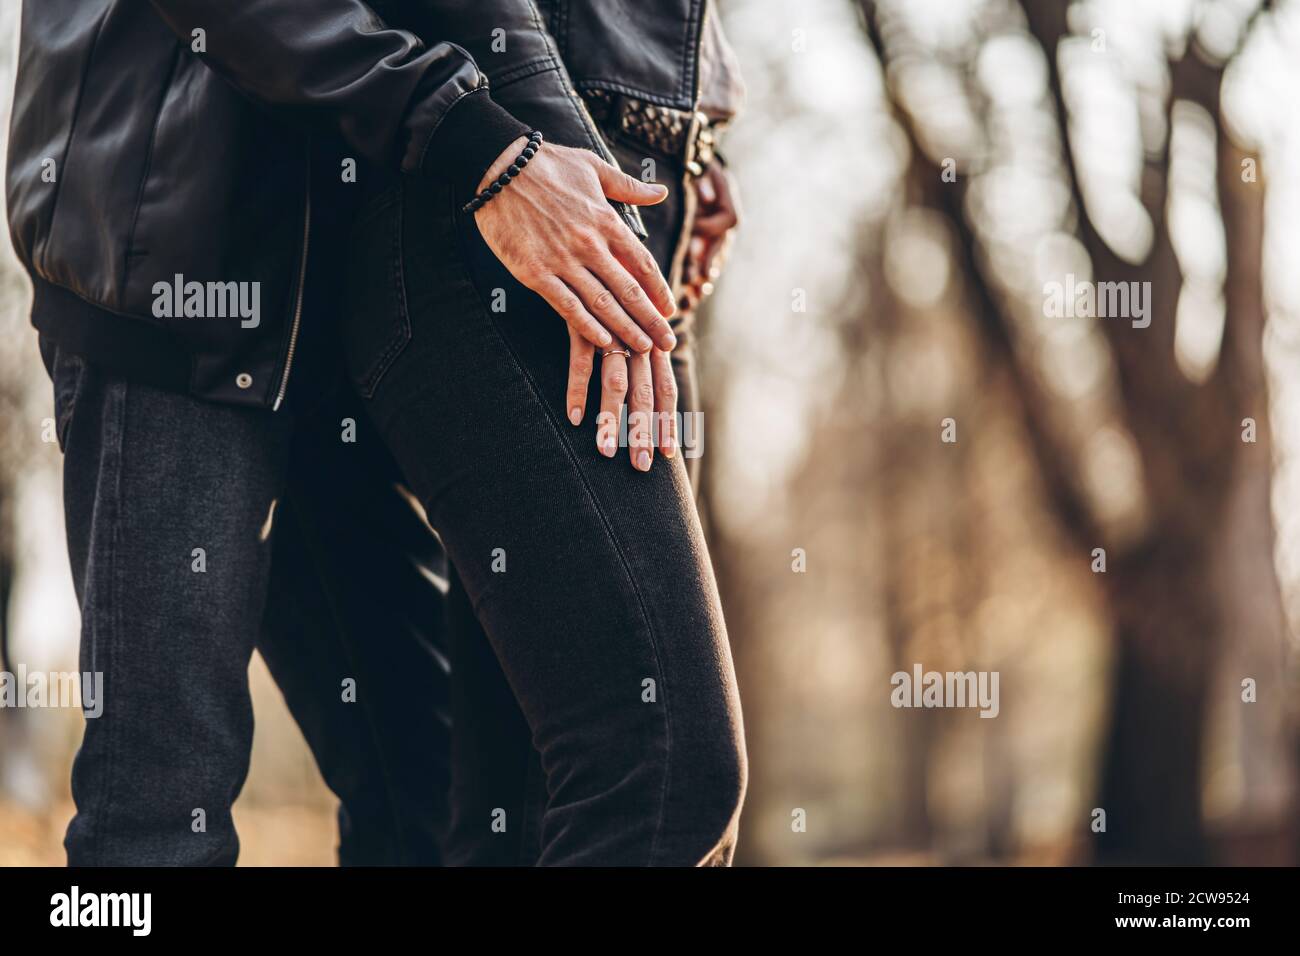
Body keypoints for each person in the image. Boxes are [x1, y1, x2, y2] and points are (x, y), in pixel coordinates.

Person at [6, 0, 745, 865]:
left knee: (426, 808)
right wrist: (483, 137)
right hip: (180, 252)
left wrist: (686, 133)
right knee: (155, 817)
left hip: (400, 207)